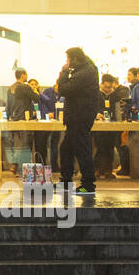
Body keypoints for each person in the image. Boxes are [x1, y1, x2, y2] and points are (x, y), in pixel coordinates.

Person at [55, 47, 99, 195]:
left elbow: (63, 89)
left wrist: (64, 72)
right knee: (66, 148)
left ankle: (88, 184)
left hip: (80, 116)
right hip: (77, 115)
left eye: (68, 59)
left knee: (82, 148)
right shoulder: (86, 69)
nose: (67, 62)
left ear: (74, 59)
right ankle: (66, 181)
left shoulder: (85, 73)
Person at [93, 74, 129, 180]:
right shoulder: (96, 94)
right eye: (106, 87)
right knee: (99, 147)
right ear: (101, 84)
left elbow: (117, 111)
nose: (108, 89)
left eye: (110, 87)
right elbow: (92, 107)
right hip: (98, 125)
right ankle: (97, 169)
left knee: (109, 148)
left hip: (111, 125)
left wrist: (119, 123)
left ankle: (108, 170)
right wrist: (96, 115)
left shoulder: (115, 95)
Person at [5, 68, 37, 174]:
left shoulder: (11, 88)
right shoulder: (25, 87)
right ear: (23, 75)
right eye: (26, 74)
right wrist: (35, 90)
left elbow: (8, 104)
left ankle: (15, 165)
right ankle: (22, 169)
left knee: (15, 143)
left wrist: (8, 117)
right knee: (25, 144)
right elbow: (36, 98)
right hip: (24, 118)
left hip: (13, 119)